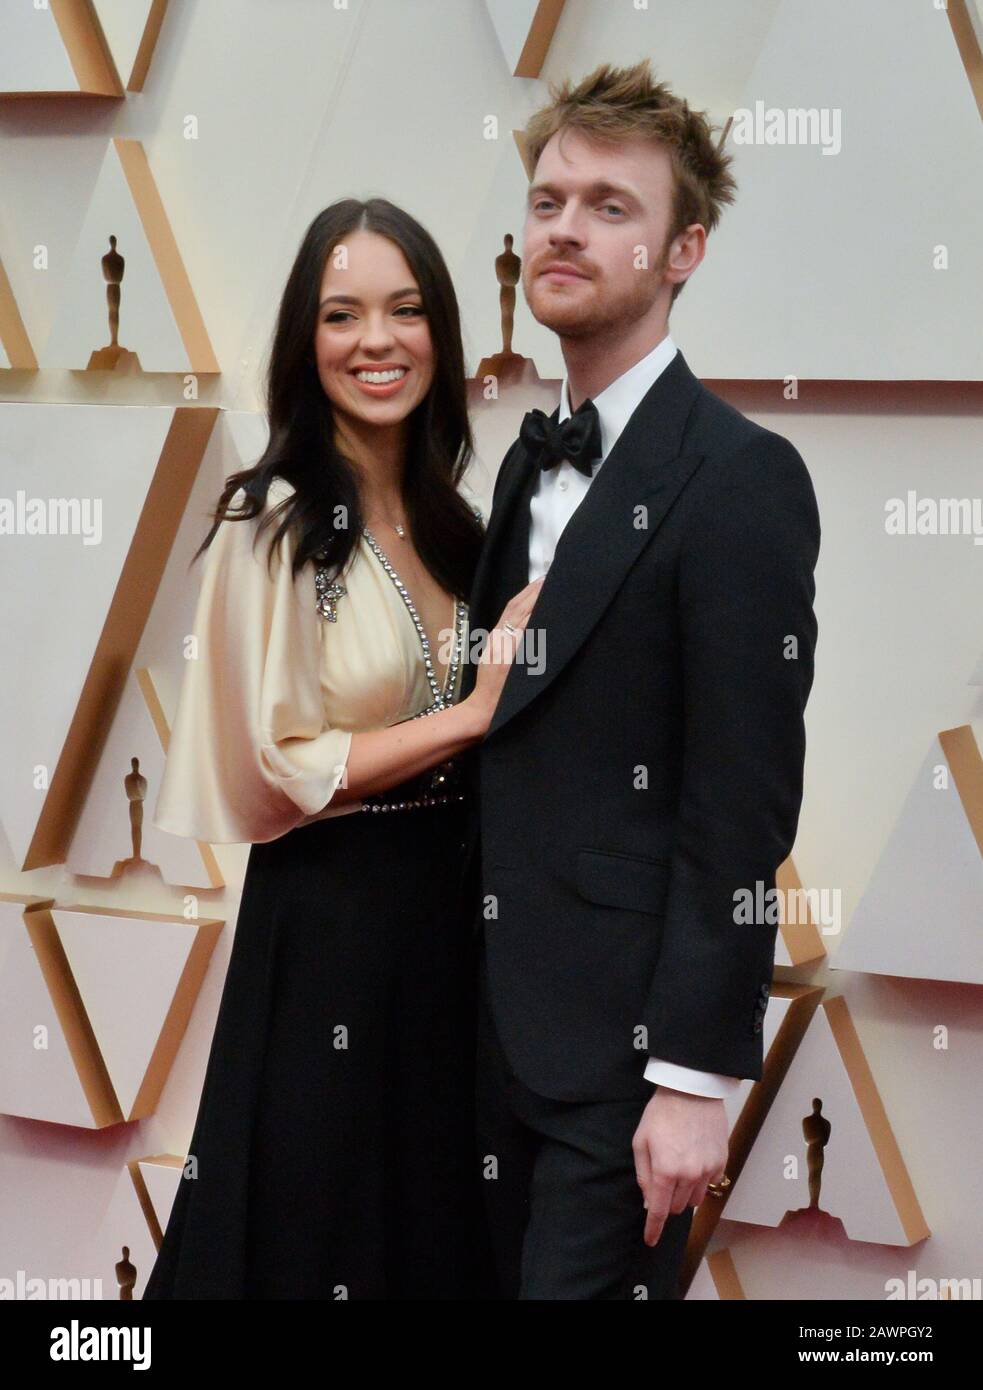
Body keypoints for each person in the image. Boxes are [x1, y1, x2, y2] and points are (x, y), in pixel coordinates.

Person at [461, 60, 821, 1299]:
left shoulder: (740, 477)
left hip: (623, 1081)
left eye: (610, 205)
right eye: (548, 199)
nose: (564, 226)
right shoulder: (523, 466)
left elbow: (743, 806)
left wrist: (693, 1081)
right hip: (480, 1043)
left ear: (683, 252)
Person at [142, 198, 540, 1300]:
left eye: (406, 311)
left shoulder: (454, 521)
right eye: (342, 314)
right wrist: (473, 714)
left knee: (436, 1238)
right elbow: (279, 764)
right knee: (315, 1233)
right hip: (328, 921)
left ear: (441, 335)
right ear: (302, 342)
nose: (377, 341)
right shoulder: (266, 522)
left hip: (453, 932)